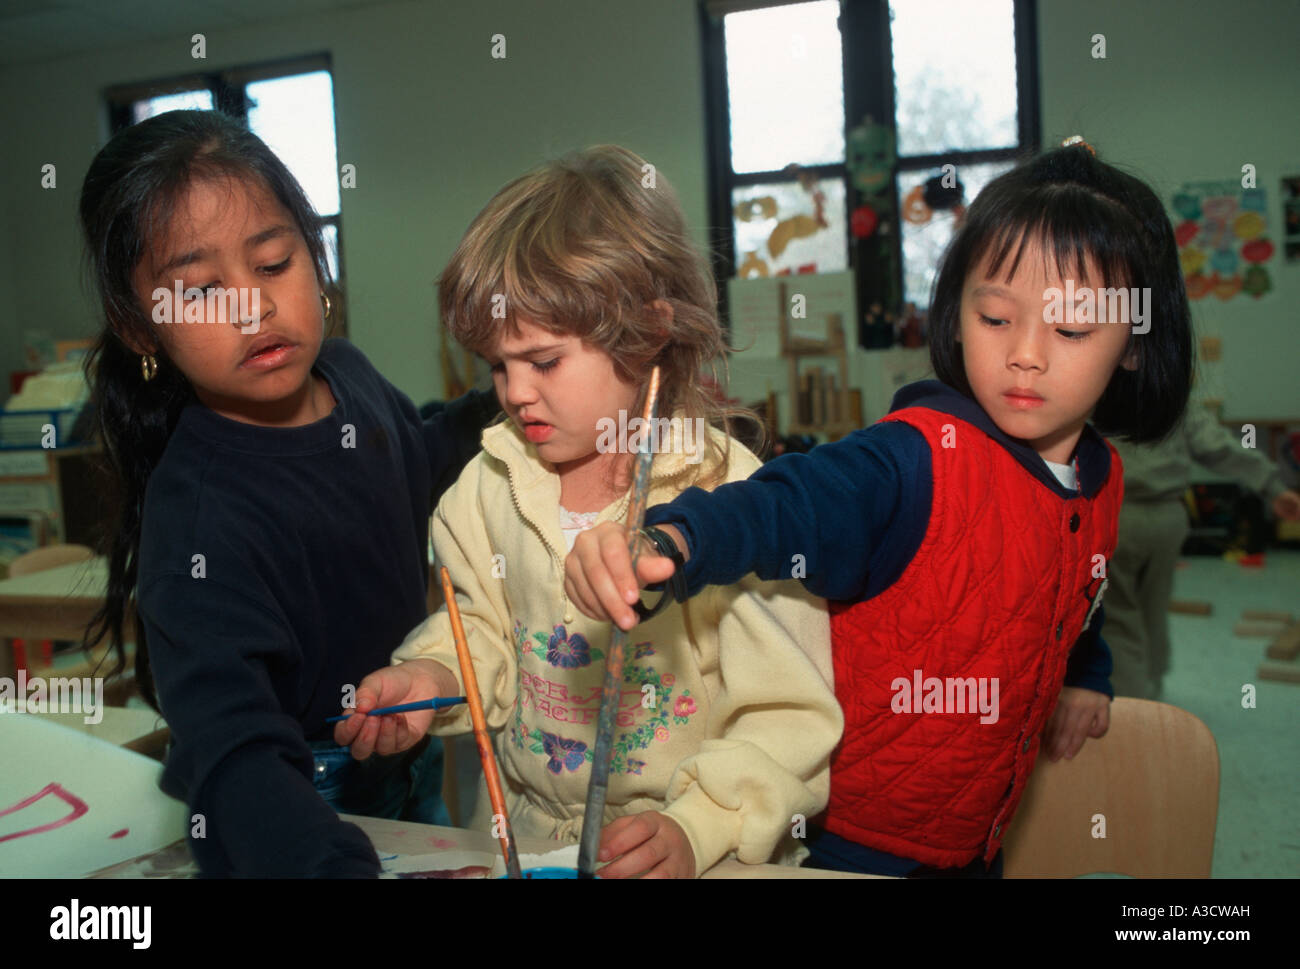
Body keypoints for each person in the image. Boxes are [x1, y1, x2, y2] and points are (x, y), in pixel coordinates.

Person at [564, 139, 1196, 876]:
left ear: (1133, 345)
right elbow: (792, 501)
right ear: (958, 315)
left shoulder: (1100, 476)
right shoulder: (913, 458)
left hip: (979, 834)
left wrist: (1091, 670)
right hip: (850, 839)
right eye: (995, 318)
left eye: (1072, 330)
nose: (1026, 353)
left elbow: (1071, 596)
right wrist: (675, 536)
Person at [335, 145, 841, 878]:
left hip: (704, 853)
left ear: (648, 330)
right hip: (530, 845)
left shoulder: (733, 501)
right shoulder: (486, 487)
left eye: (543, 362)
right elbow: (482, 630)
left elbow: (785, 713)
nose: (515, 392)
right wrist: (432, 676)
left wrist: (698, 826)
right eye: (497, 366)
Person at [79, 110, 499, 876]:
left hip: (407, 761)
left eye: (273, 263)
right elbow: (234, 755)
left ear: (315, 257)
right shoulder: (198, 520)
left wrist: (509, 395)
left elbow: (418, 457)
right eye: (202, 290)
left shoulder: (350, 375)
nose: (253, 306)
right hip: (295, 806)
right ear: (141, 327)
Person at [1106, 403, 1300, 698]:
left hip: (1115, 514)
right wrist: (1272, 487)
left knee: (1116, 615)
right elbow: (1220, 449)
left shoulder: (1099, 389)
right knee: (1153, 607)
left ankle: (1130, 699)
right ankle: (1152, 689)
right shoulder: (1176, 397)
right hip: (1167, 517)